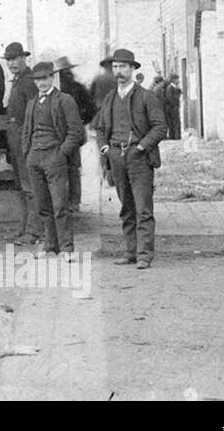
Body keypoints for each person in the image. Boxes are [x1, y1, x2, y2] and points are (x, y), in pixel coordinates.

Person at [96, 48, 167, 269]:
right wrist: (105, 148)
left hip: (139, 159)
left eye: (123, 67)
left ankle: (144, 255)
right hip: (116, 157)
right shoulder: (109, 98)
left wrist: (142, 146)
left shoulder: (146, 96)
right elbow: (100, 128)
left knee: (143, 207)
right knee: (126, 207)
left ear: (132, 69)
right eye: (115, 67)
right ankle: (130, 252)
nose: (118, 71)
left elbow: (160, 127)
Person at [21, 61, 86, 256]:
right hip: (35, 158)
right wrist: (28, 152)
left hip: (54, 157)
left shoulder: (64, 100)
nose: (41, 83)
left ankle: (67, 248)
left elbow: (76, 132)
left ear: (52, 78)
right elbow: (26, 131)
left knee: (60, 205)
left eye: (44, 78)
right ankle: (50, 245)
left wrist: (61, 153)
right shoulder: (32, 103)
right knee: (42, 204)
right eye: (37, 79)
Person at [3, 42, 40, 245]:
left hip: (27, 144)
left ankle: (34, 232)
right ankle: (25, 227)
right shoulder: (18, 81)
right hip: (16, 144)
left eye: (16, 58)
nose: (12, 63)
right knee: (22, 187)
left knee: (31, 187)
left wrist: (28, 143)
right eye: (9, 59)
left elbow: (34, 115)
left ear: (24, 58)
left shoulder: (29, 82)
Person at [55, 56, 94, 213]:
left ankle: (70, 201)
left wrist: (79, 122)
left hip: (66, 133)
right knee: (72, 168)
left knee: (68, 167)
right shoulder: (76, 87)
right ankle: (73, 201)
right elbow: (91, 110)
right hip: (69, 133)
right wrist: (82, 121)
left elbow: (90, 109)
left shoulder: (71, 89)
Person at [163, 75, 183, 140]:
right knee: (174, 123)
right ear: (173, 80)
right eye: (177, 79)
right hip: (172, 109)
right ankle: (175, 137)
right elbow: (170, 99)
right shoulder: (170, 88)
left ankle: (176, 136)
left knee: (176, 122)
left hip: (174, 108)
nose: (179, 81)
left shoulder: (175, 88)